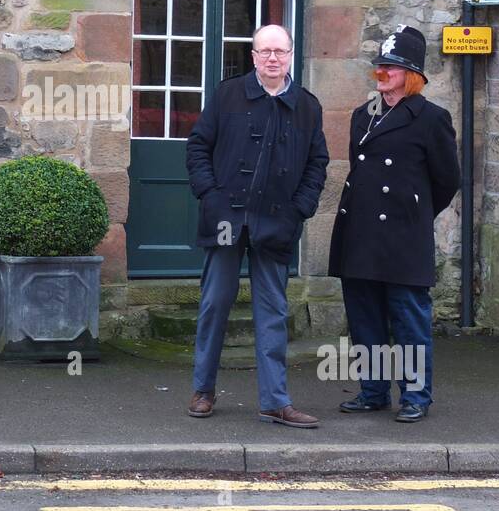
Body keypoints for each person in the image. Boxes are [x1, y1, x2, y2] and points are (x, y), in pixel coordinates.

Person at [185, 24, 329, 426]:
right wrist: (210, 197)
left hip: (276, 223)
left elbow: (318, 164)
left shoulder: (307, 105)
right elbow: (197, 146)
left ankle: (275, 401)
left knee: (273, 310)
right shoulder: (228, 94)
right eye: (264, 51)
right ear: (252, 56)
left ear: (290, 56)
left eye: (279, 52)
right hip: (226, 219)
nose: (272, 58)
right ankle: (203, 390)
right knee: (215, 304)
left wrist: (299, 208)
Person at [329, 25, 461, 422]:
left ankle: (416, 396)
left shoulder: (431, 118)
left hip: (403, 238)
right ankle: (373, 391)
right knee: (364, 317)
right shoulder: (361, 116)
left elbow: (447, 181)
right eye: (380, 67)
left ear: (412, 74)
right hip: (360, 234)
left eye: (391, 67)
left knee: (408, 319)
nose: (382, 73)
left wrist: (414, 215)